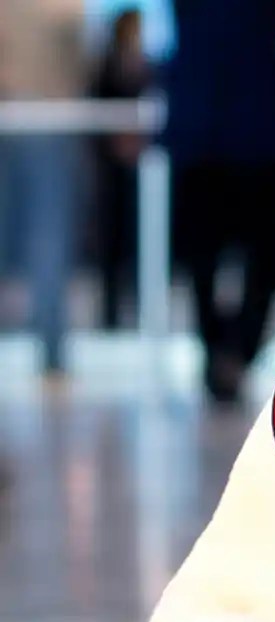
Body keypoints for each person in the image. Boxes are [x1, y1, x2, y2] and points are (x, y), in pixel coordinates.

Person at [164, 0, 275, 403]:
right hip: (246, 127)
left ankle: (229, 352)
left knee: (225, 260)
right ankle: (230, 352)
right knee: (225, 260)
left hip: (227, 128)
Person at [0, 0, 86, 377]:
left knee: (43, 238)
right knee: (48, 235)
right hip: (49, 117)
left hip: (27, 113)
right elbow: (82, 60)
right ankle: (51, 351)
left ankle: (52, 348)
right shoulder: (65, 8)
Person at [90, 8, 151, 329]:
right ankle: (112, 315)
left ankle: (139, 311)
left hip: (142, 171)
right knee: (113, 242)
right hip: (111, 171)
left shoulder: (148, 66)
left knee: (140, 241)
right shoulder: (106, 66)